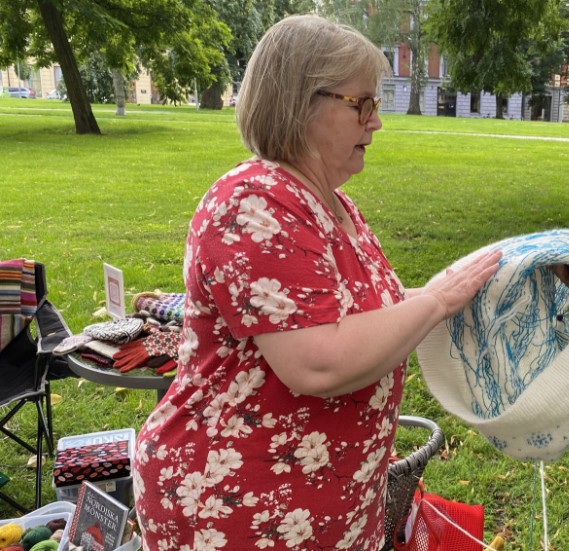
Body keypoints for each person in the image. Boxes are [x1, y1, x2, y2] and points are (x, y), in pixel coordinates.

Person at [132, 15, 500, 551]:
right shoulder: (254, 202)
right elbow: (317, 361)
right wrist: (439, 300)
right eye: (363, 105)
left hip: (321, 503)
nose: (376, 123)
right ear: (301, 102)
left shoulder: (328, 201)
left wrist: (458, 291)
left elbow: (369, 312)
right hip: (239, 507)